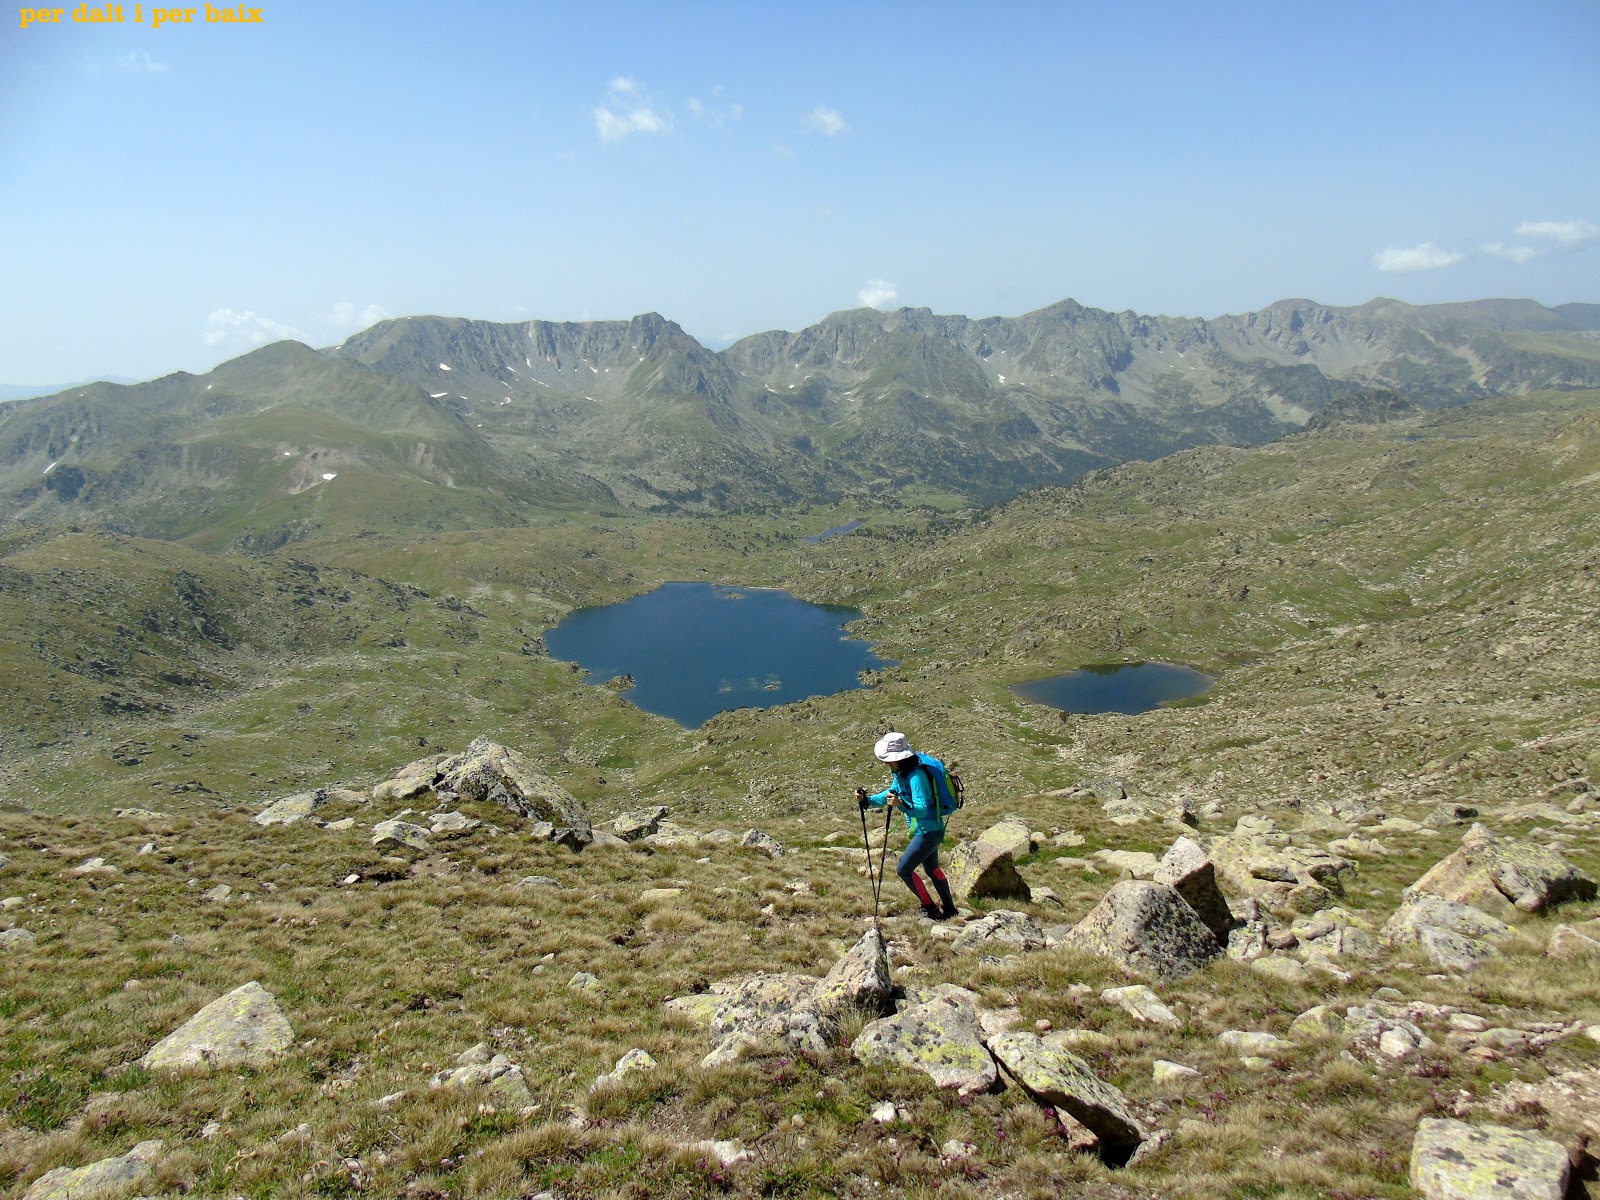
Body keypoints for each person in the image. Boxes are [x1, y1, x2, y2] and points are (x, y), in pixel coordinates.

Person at [857, 731, 958, 921]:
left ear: (899, 758)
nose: (886, 763)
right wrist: (867, 800)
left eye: (888, 759)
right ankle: (950, 909)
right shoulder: (902, 773)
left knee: (903, 870)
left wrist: (901, 805)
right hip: (932, 830)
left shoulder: (916, 777)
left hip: (927, 832)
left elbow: (921, 809)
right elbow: (891, 793)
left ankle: (930, 908)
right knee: (932, 869)